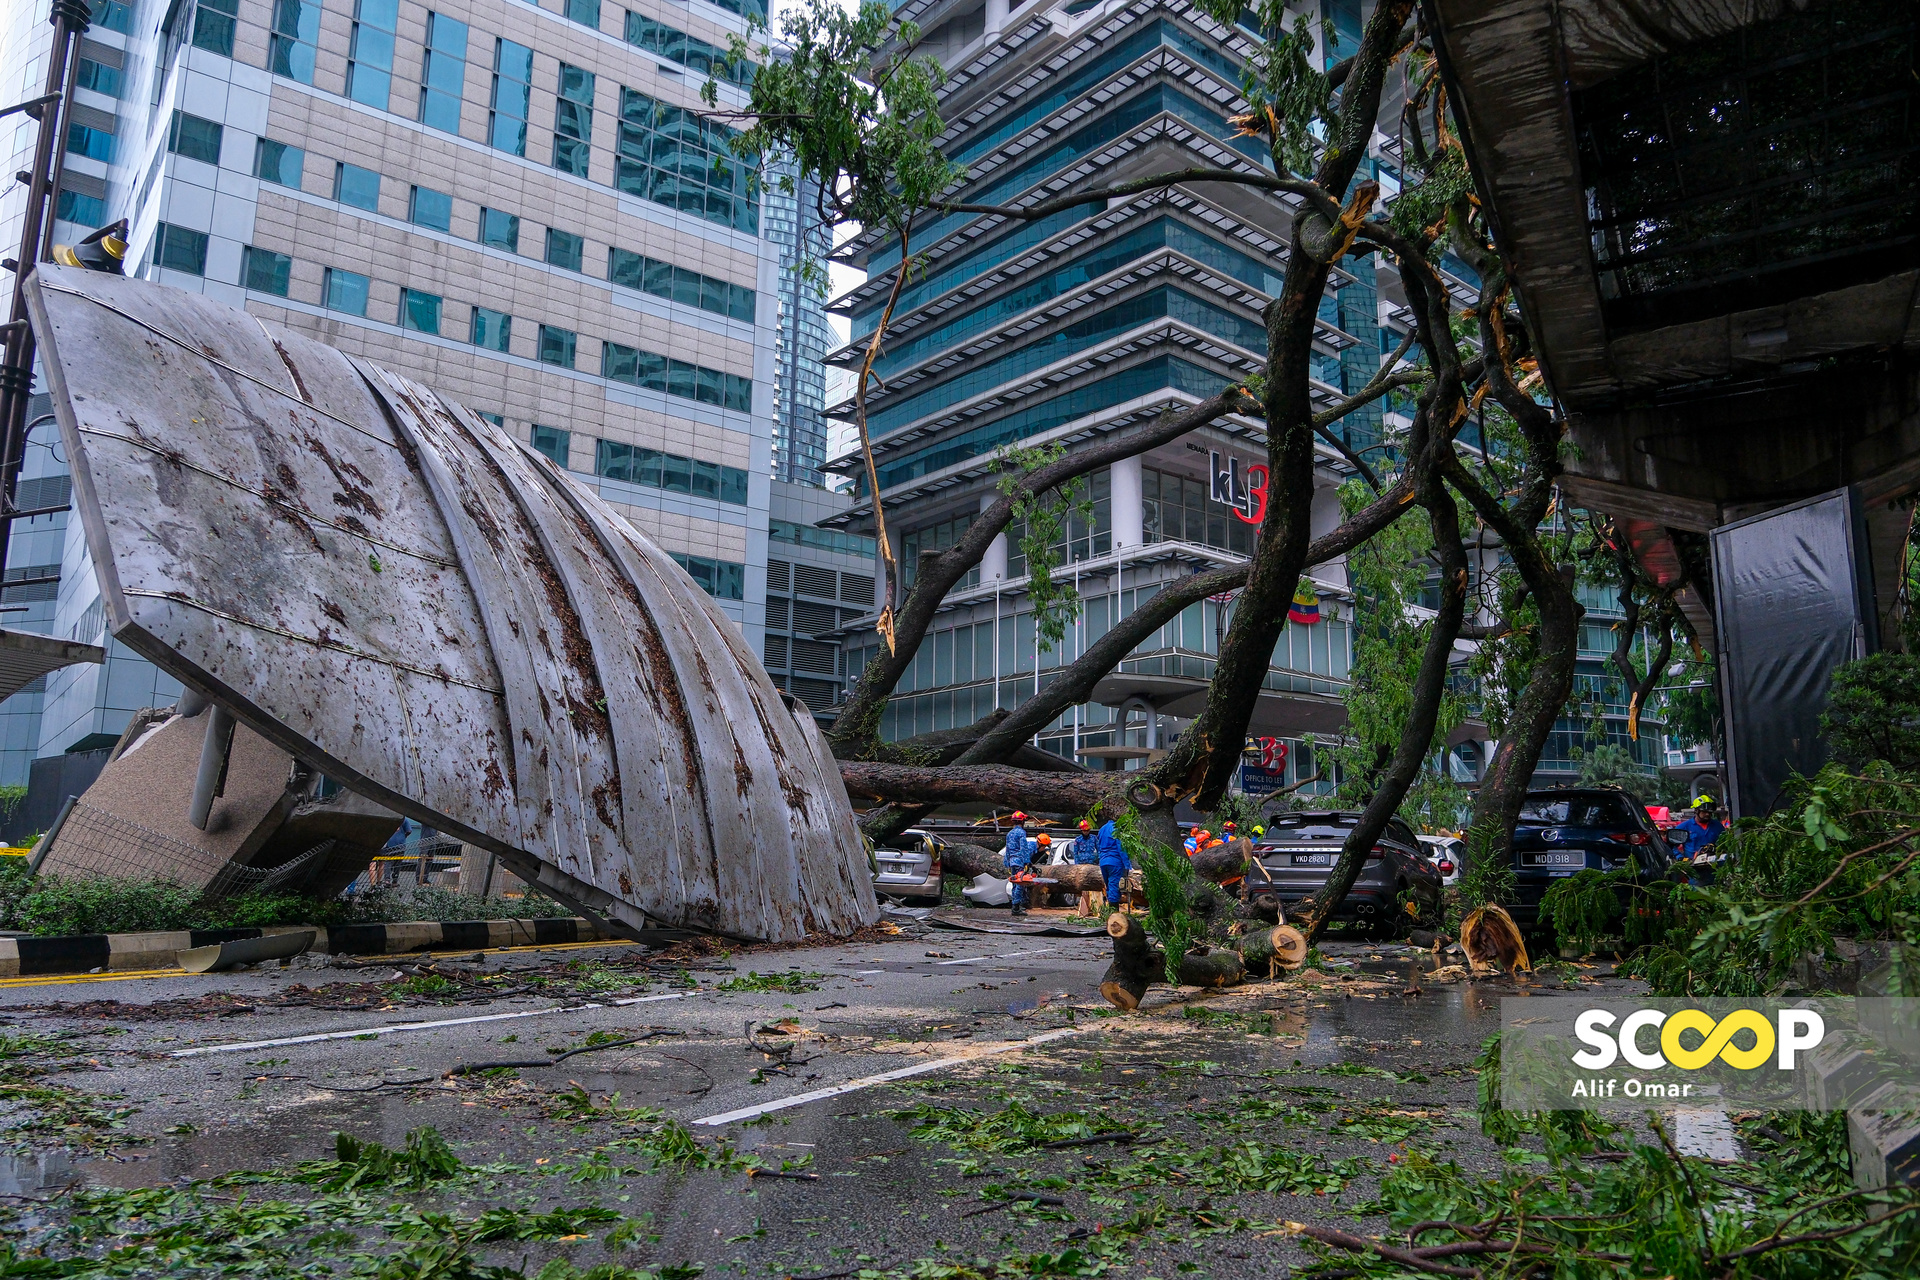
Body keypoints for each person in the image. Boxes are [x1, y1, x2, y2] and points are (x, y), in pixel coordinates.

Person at [1096, 818, 1132, 910]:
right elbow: (1121, 848)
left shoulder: (1102, 829)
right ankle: (1114, 912)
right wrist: (1127, 865)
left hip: (1103, 862)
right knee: (1114, 887)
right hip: (1115, 862)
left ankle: (1110, 911)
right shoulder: (1117, 829)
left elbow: (1099, 845)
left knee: (1108, 886)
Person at [1005, 812, 1032, 917]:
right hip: (1019, 861)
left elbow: (1007, 850)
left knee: (1015, 884)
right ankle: (1016, 907)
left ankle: (1015, 905)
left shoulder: (1009, 834)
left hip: (1012, 862)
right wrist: (1027, 861)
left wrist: (1008, 863)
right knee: (1020, 884)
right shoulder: (1021, 833)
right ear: (1022, 821)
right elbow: (1024, 848)